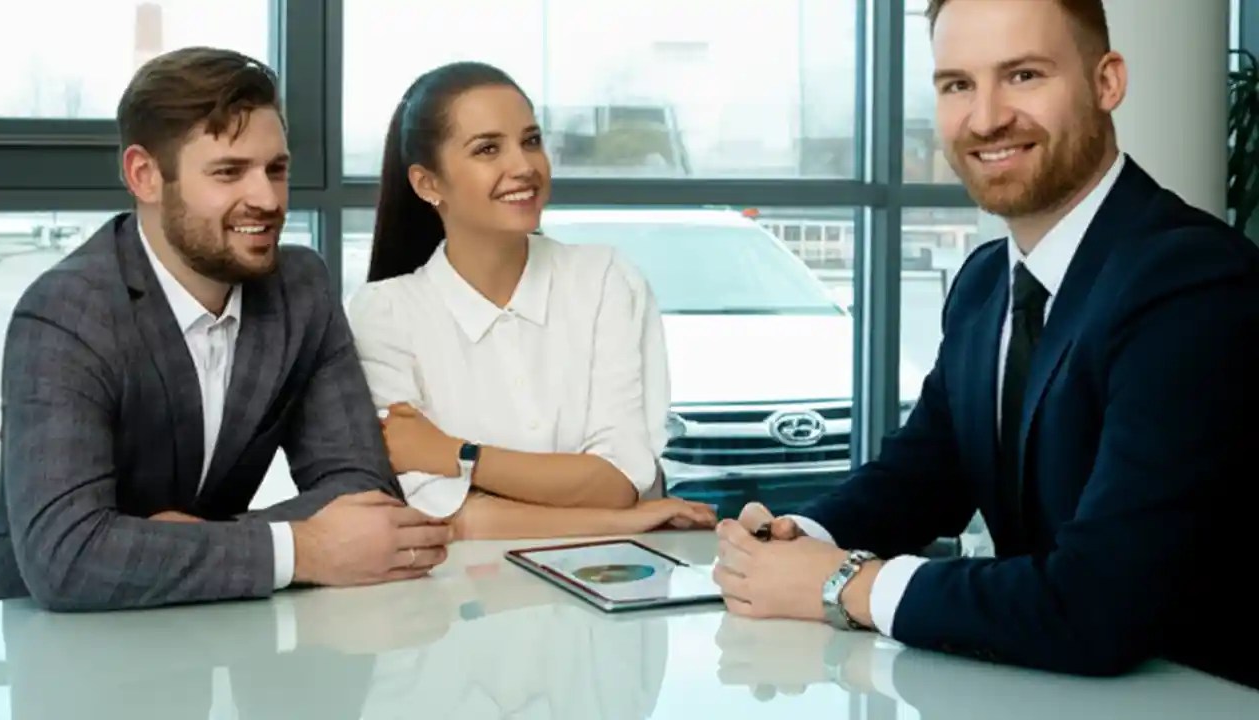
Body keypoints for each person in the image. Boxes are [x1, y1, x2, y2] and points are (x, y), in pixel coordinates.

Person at [712, 0, 1259, 690]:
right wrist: (796, 540)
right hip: (1040, 692)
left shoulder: (1190, 281)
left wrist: (847, 585)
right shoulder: (983, 285)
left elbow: (1098, 605)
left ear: (1107, 81)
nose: (986, 118)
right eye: (957, 85)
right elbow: (918, 483)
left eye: (1024, 75)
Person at [0, 47, 450, 611]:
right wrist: (302, 548)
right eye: (229, 172)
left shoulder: (300, 288)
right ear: (144, 175)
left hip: (206, 623)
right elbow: (67, 557)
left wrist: (194, 541)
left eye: (276, 169)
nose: (268, 199)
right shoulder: (67, 313)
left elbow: (360, 492)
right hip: (49, 636)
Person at [346, 61, 717, 538]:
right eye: (487, 149)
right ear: (427, 183)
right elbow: (442, 514)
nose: (523, 167)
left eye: (531, 140)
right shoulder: (384, 313)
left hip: (612, 584)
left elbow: (619, 480)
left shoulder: (604, 280)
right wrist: (619, 521)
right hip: (457, 603)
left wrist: (458, 455)